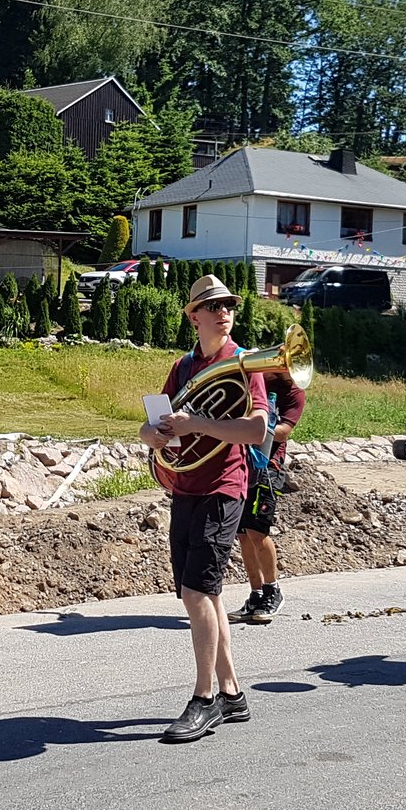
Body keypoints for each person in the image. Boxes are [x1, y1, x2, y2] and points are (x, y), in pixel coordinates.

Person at [139, 275, 270, 743]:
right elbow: (158, 424)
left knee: (197, 593)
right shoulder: (183, 365)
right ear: (193, 316)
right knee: (205, 595)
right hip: (186, 486)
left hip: (224, 486)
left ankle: (204, 698)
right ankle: (232, 692)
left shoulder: (244, 363)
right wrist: (150, 434)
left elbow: (257, 432)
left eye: (229, 305)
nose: (224, 312)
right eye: (213, 306)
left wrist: (198, 422)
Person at [233, 364, 306, 625]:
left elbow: (285, 430)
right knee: (242, 535)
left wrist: (256, 429)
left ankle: (273, 590)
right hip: (241, 464)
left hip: (267, 466)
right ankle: (256, 594)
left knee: (257, 532)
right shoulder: (258, 381)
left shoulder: (294, 393)